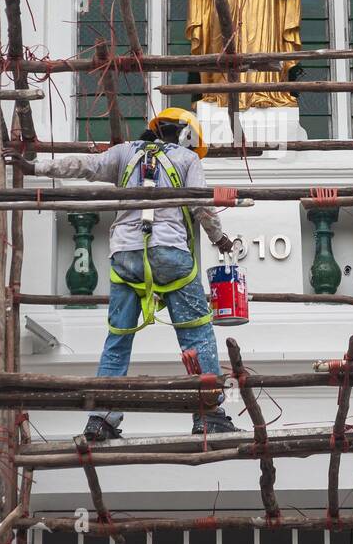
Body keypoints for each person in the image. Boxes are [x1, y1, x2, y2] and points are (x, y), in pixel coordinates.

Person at [15, 107, 241, 441]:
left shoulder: (124, 154)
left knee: (118, 341)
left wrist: (34, 166)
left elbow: (84, 166)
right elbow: (201, 205)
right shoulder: (187, 159)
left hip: (125, 258)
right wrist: (220, 238)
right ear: (185, 135)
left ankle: (101, 418)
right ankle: (209, 415)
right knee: (196, 335)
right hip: (169, 255)